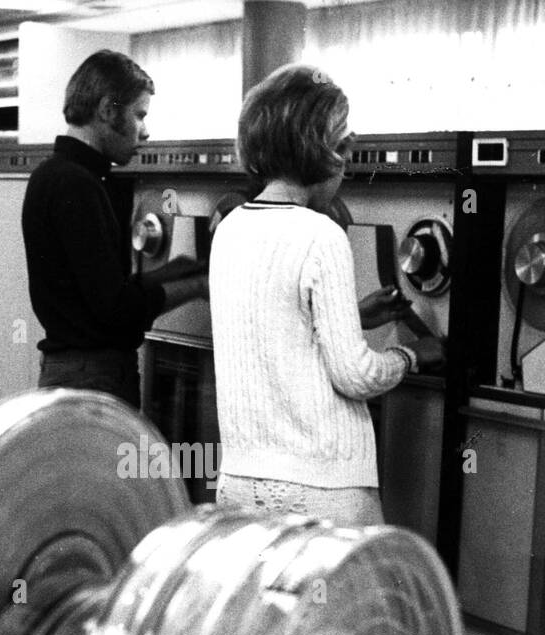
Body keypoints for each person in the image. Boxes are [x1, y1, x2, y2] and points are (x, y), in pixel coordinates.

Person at [208, 63, 445, 527]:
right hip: (322, 486)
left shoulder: (230, 228)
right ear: (339, 150)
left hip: (239, 481)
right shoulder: (321, 235)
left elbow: (276, 331)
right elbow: (355, 375)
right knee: (354, 600)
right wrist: (415, 354)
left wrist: (352, 318)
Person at [22, 50, 207, 409]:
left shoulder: (56, 175)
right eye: (139, 115)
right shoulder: (77, 185)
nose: (146, 131)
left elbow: (99, 291)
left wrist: (173, 271)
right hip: (93, 377)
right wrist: (197, 286)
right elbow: (116, 310)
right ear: (107, 110)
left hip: (76, 372)